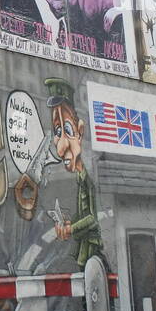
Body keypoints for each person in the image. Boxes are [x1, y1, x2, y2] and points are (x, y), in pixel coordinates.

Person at [45, 78, 102, 267]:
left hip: (90, 252)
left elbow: (93, 218)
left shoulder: (87, 179)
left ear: (79, 131)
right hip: (80, 251)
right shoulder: (74, 181)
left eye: (67, 130)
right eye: (57, 131)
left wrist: (71, 229)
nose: (61, 147)